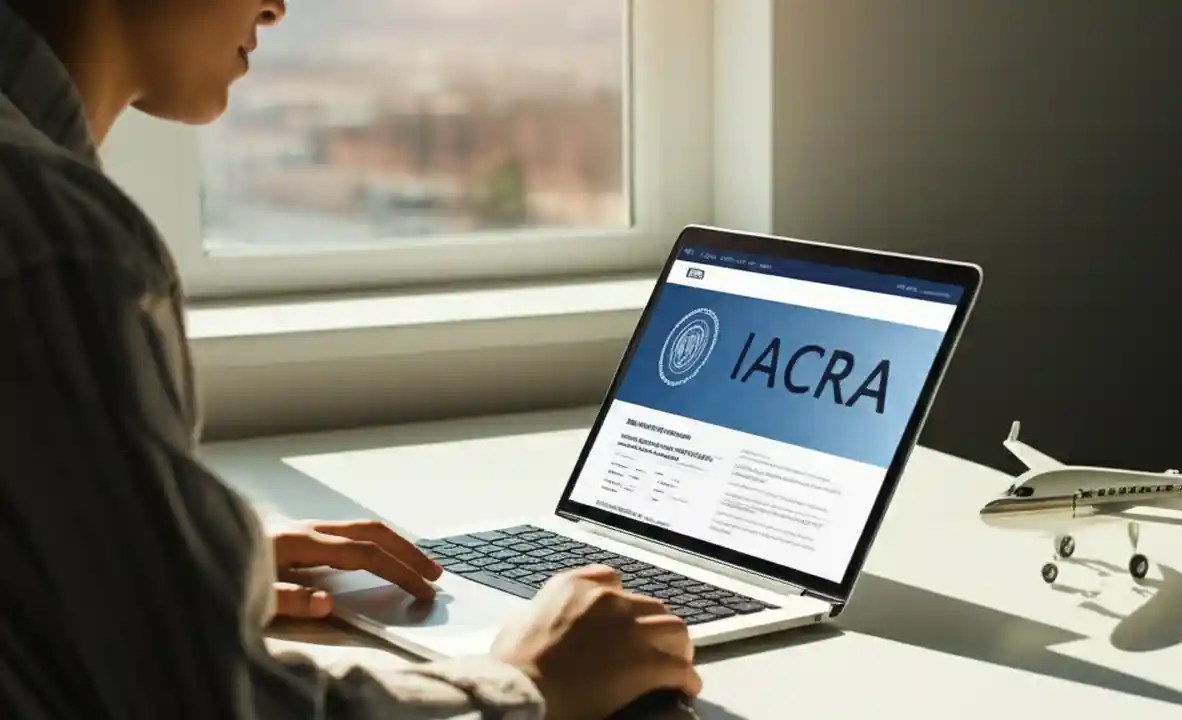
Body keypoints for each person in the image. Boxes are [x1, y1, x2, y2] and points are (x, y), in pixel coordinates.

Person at [0, 0, 701, 718]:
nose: (277, 8)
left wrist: (172, 561)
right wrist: (530, 686)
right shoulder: (60, 239)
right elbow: (214, 706)